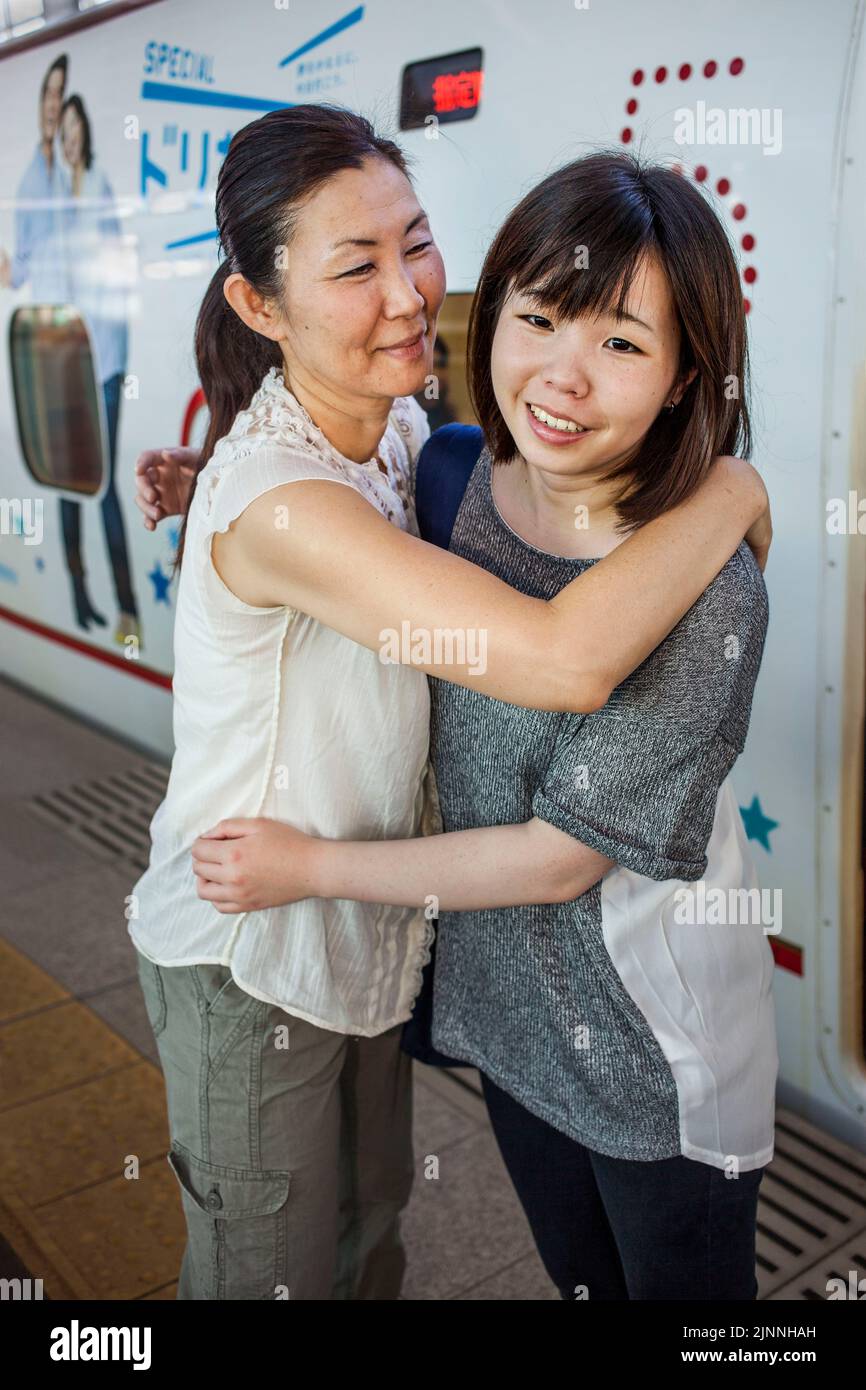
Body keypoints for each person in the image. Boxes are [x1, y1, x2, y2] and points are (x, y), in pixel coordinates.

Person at [130, 107, 771, 1301]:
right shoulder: (357, 486)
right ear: (260, 308)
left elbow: (557, 846)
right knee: (264, 1270)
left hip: (409, 960)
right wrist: (733, 485)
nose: (410, 292)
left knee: (366, 1244)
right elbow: (560, 657)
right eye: (354, 266)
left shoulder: (411, 442)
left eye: (414, 242)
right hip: (255, 934)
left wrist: (714, 501)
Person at [59, 93, 141, 646]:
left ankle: (128, 607)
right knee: (67, 482)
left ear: (85, 134)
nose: (69, 140)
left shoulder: (101, 189)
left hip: (103, 363)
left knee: (103, 483)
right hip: (63, 364)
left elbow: (117, 280)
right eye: (61, 132)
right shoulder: (54, 198)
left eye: (74, 130)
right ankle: (80, 594)